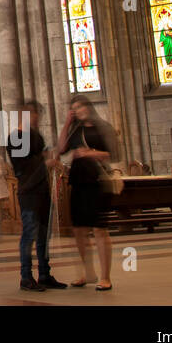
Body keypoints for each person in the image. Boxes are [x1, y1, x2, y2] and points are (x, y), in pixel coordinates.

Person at [59, 94, 116, 291]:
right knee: (79, 230)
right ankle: (87, 272)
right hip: (78, 182)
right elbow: (60, 149)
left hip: (97, 183)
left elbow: (113, 154)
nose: (78, 110)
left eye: (81, 107)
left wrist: (89, 153)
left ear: (89, 107)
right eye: (75, 108)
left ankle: (105, 277)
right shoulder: (75, 129)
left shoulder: (103, 128)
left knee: (99, 230)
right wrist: (67, 123)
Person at [8, 100, 67, 292]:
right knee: (29, 235)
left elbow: (41, 156)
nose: (36, 118)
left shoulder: (36, 135)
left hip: (42, 191)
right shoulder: (15, 137)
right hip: (28, 192)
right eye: (33, 114)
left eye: (37, 115)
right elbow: (22, 167)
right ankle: (26, 277)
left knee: (44, 235)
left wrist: (52, 156)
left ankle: (44, 274)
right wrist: (46, 163)